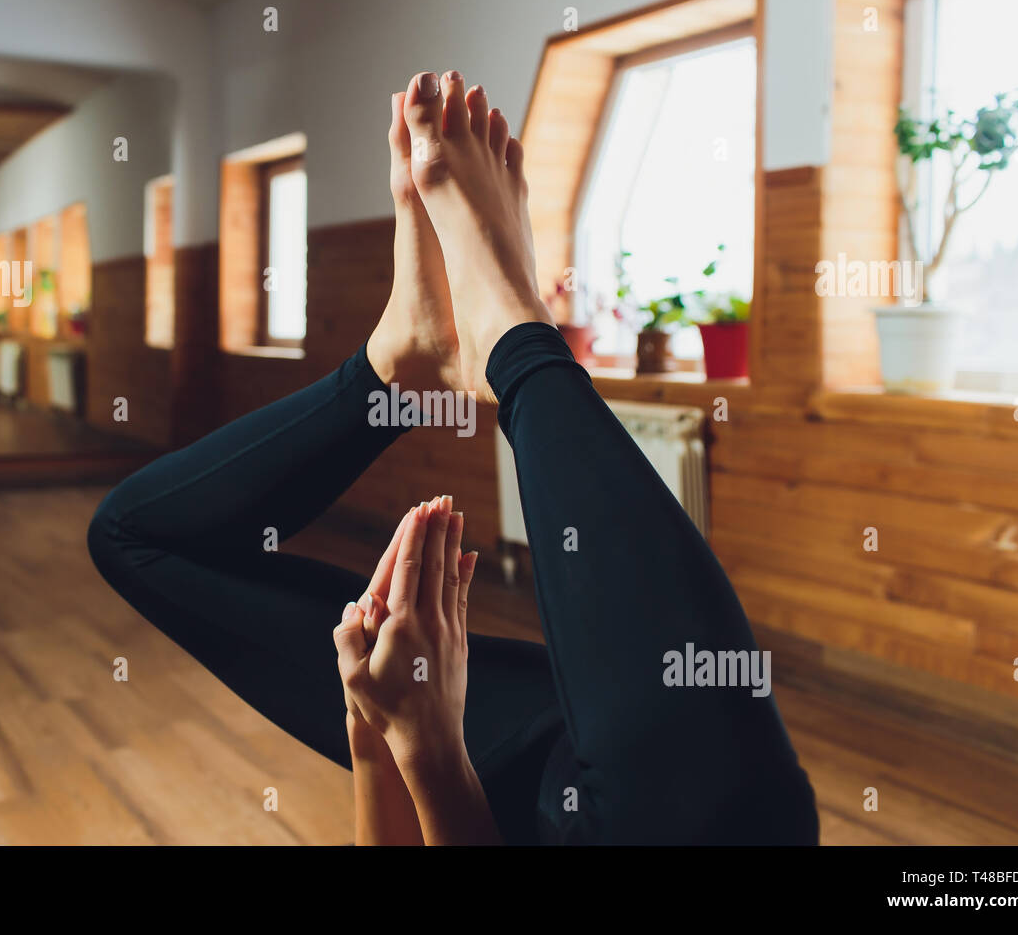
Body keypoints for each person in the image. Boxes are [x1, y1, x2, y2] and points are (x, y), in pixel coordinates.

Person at [88, 71, 818, 845]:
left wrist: (392, 732)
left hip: (508, 791)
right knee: (718, 805)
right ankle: (512, 328)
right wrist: (423, 741)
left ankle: (396, 372)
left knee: (132, 539)